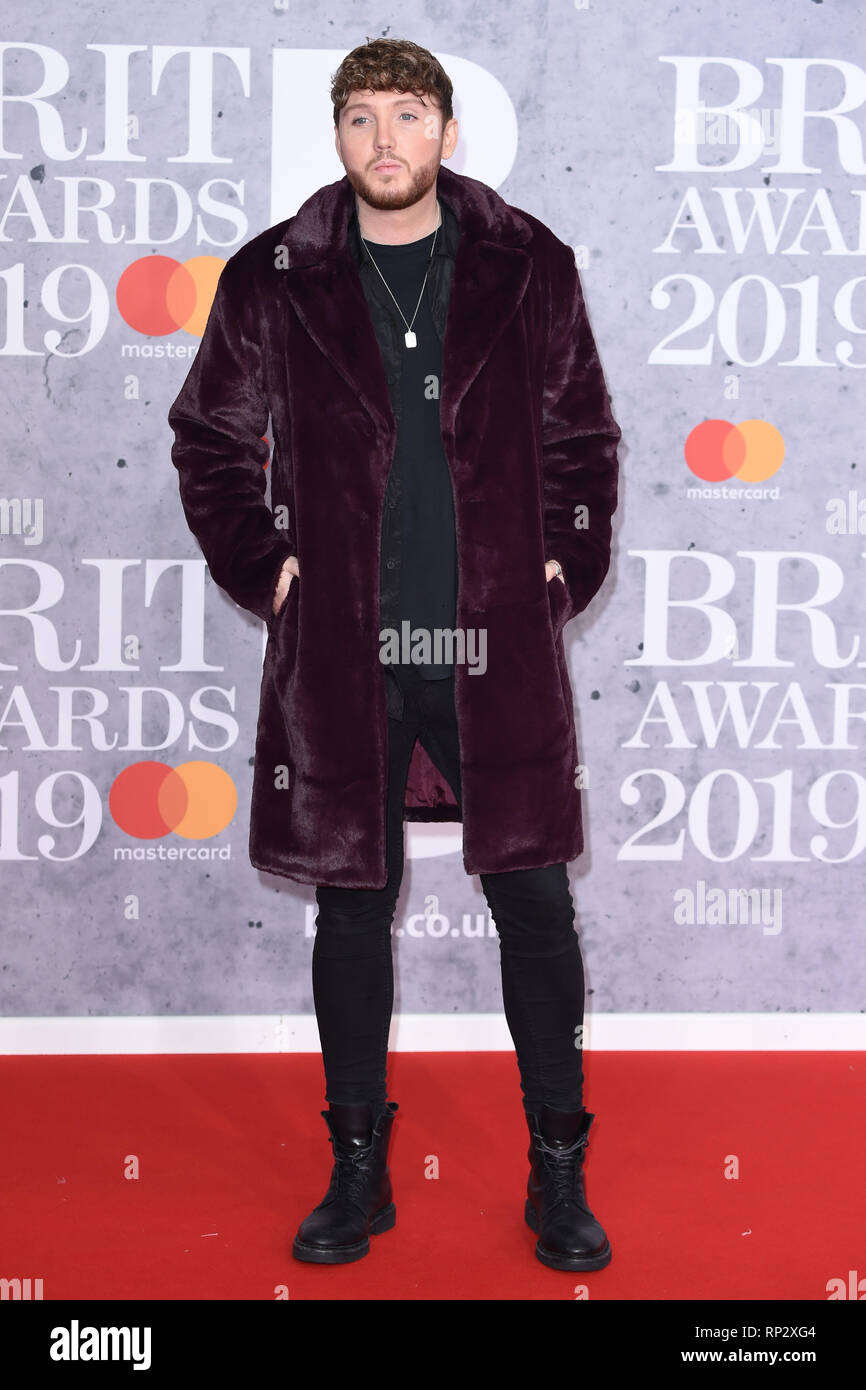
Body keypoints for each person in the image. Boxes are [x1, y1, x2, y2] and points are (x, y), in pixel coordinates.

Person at [167, 36, 621, 1273]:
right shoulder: (274, 277)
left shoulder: (529, 266)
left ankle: (555, 1173)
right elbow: (210, 438)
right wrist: (267, 570)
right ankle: (357, 1173)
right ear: (337, 135)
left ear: (445, 134)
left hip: (493, 648)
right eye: (362, 117)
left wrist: (561, 567)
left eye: (408, 116)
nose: (385, 140)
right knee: (351, 909)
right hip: (343, 654)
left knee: (532, 902)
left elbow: (581, 440)